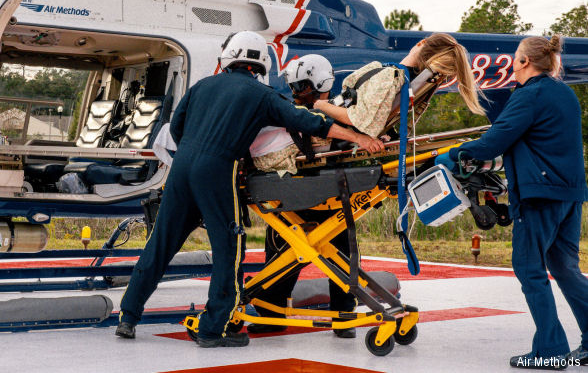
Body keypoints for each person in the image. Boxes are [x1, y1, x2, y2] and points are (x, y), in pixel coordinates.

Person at [115, 32, 385, 348]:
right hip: (217, 170)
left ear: (228, 57)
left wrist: (194, 147)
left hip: (182, 167)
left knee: (160, 243)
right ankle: (214, 329)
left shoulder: (202, 86)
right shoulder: (262, 95)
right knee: (229, 248)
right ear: (259, 63)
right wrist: (360, 139)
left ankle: (128, 317)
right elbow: (310, 122)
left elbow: (175, 128)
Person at [435, 35, 588, 370]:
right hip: (570, 194)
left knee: (529, 268)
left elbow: (493, 142)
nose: (513, 63)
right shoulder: (565, 94)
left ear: (524, 62)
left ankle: (551, 350)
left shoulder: (529, 96)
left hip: (539, 196)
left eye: (516, 57)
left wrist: (447, 156)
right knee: (565, 268)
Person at [245, 54, 358, 338]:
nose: (298, 94)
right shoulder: (297, 111)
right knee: (288, 252)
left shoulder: (334, 110)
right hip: (303, 190)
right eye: (295, 89)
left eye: (303, 88)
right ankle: (272, 312)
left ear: (321, 83)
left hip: (317, 191)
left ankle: (343, 313)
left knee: (339, 253)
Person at [313, 32, 486, 137]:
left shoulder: (391, 76)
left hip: (325, 128)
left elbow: (356, 119)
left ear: (421, 43)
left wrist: (320, 104)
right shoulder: (411, 84)